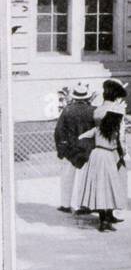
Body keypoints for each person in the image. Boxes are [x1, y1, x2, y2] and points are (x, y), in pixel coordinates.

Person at [76, 79, 128, 233]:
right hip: (109, 153)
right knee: (109, 186)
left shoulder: (98, 110)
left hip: (97, 152)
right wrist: (123, 153)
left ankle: (108, 215)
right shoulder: (117, 112)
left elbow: (98, 130)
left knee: (103, 185)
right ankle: (104, 221)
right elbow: (120, 136)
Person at [54, 82, 94, 215]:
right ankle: (83, 205)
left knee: (66, 178)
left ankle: (65, 204)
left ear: (74, 97)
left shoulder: (67, 110)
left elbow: (59, 131)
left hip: (70, 149)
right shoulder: (93, 111)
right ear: (87, 97)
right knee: (84, 179)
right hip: (87, 149)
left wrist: (61, 149)